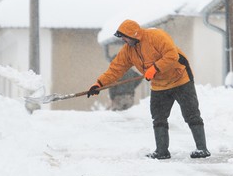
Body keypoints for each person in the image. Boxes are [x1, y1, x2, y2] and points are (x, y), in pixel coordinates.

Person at [87, 19, 209, 160]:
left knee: (191, 113)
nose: (124, 41)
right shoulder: (128, 51)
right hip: (159, 85)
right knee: (158, 117)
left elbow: (172, 55)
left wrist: (155, 68)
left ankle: (202, 148)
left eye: (125, 37)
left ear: (133, 35)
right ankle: (162, 151)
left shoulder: (155, 36)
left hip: (180, 79)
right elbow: (115, 70)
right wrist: (99, 84)